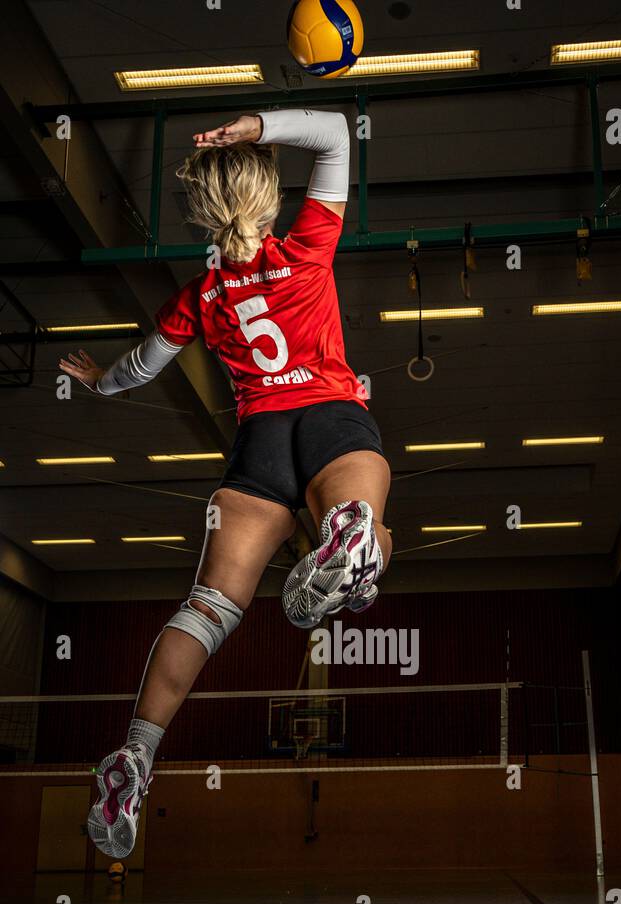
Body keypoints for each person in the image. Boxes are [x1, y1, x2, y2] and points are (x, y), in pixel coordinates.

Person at [59, 107, 392, 859]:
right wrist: (258, 126)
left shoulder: (198, 295)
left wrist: (100, 385)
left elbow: (142, 367)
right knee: (367, 518)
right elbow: (337, 132)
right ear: (265, 195)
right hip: (331, 416)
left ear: (202, 212)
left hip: (258, 448)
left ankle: (136, 756)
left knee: (207, 609)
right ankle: (352, 534)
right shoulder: (306, 246)